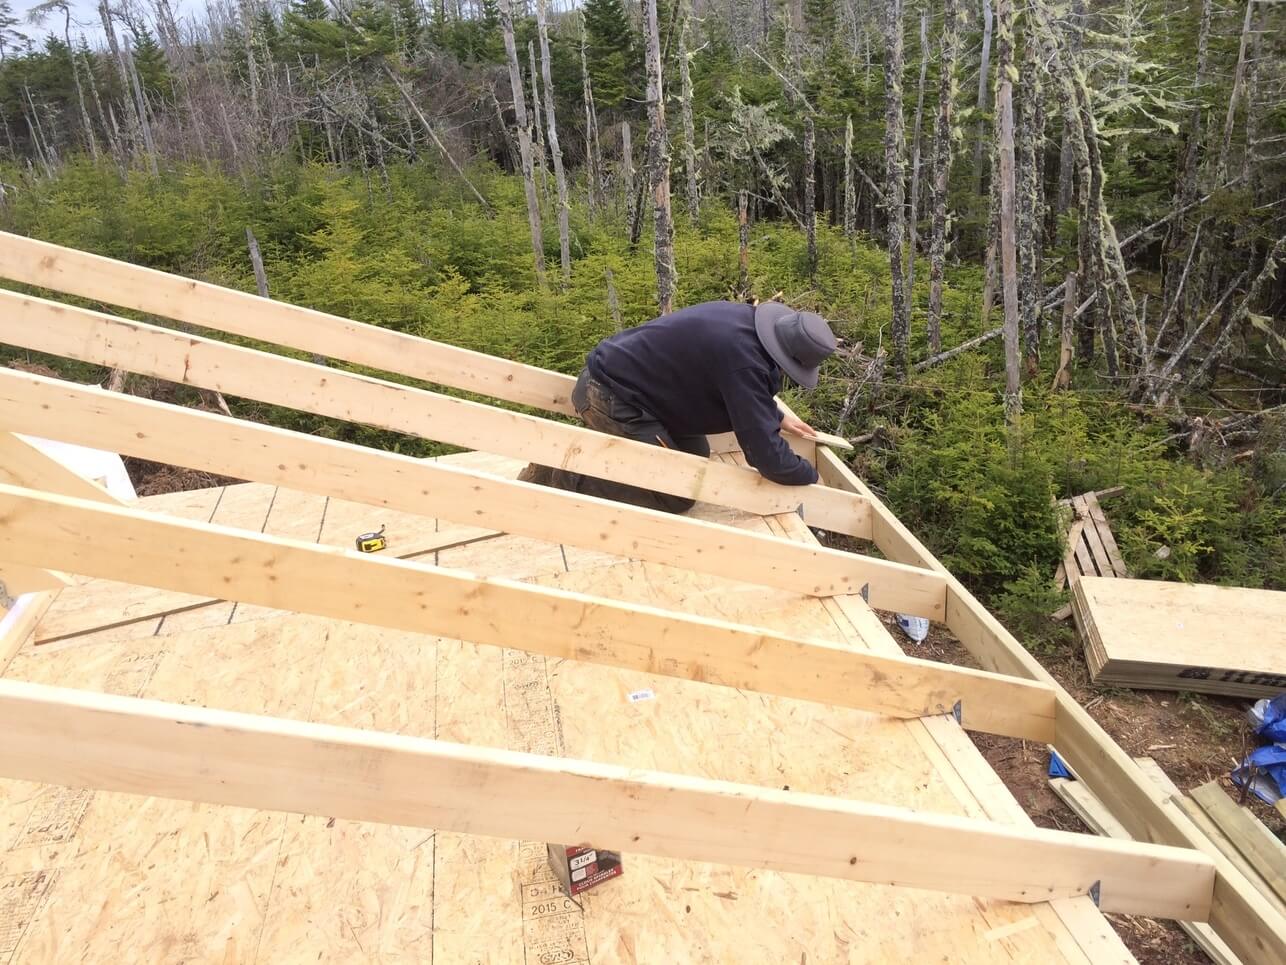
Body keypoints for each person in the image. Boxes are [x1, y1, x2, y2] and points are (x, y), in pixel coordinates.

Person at [519, 299, 837, 514]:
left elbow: (731, 386)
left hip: (627, 387)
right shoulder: (744, 363)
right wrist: (811, 475)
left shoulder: (741, 322)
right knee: (675, 493)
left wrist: (776, 417)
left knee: (694, 458)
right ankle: (558, 474)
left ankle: (600, 458)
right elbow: (765, 456)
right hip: (611, 398)